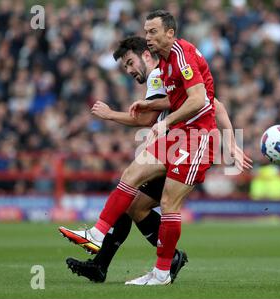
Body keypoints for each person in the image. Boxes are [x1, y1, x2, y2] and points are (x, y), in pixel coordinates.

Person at [60, 31, 251, 285]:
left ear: (146, 55)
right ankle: (116, 259)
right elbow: (213, 103)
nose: (129, 70)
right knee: (133, 204)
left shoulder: (160, 74)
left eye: (130, 63)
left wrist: (110, 115)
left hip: (188, 144)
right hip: (173, 145)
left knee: (152, 199)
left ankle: (139, 261)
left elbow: (149, 119)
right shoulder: (167, 74)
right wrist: (231, 143)